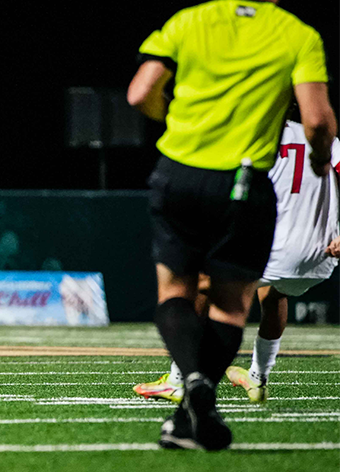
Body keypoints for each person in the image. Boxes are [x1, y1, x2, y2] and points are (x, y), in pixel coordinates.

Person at [127, 0, 335, 451]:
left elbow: (140, 93)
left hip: (177, 172)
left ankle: (187, 397)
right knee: (228, 308)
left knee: (175, 294)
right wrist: (316, 155)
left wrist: (168, 118)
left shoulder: (189, 20)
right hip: (243, 181)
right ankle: (200, 391)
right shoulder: (298, 35)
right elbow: (316, 119)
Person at [133, 110, 340, 403]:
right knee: (273, 295)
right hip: (318, 257)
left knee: (202, 286)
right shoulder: (332, 142)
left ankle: (179, 379)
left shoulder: (255, 134)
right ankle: (257, 378)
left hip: (273, 248)